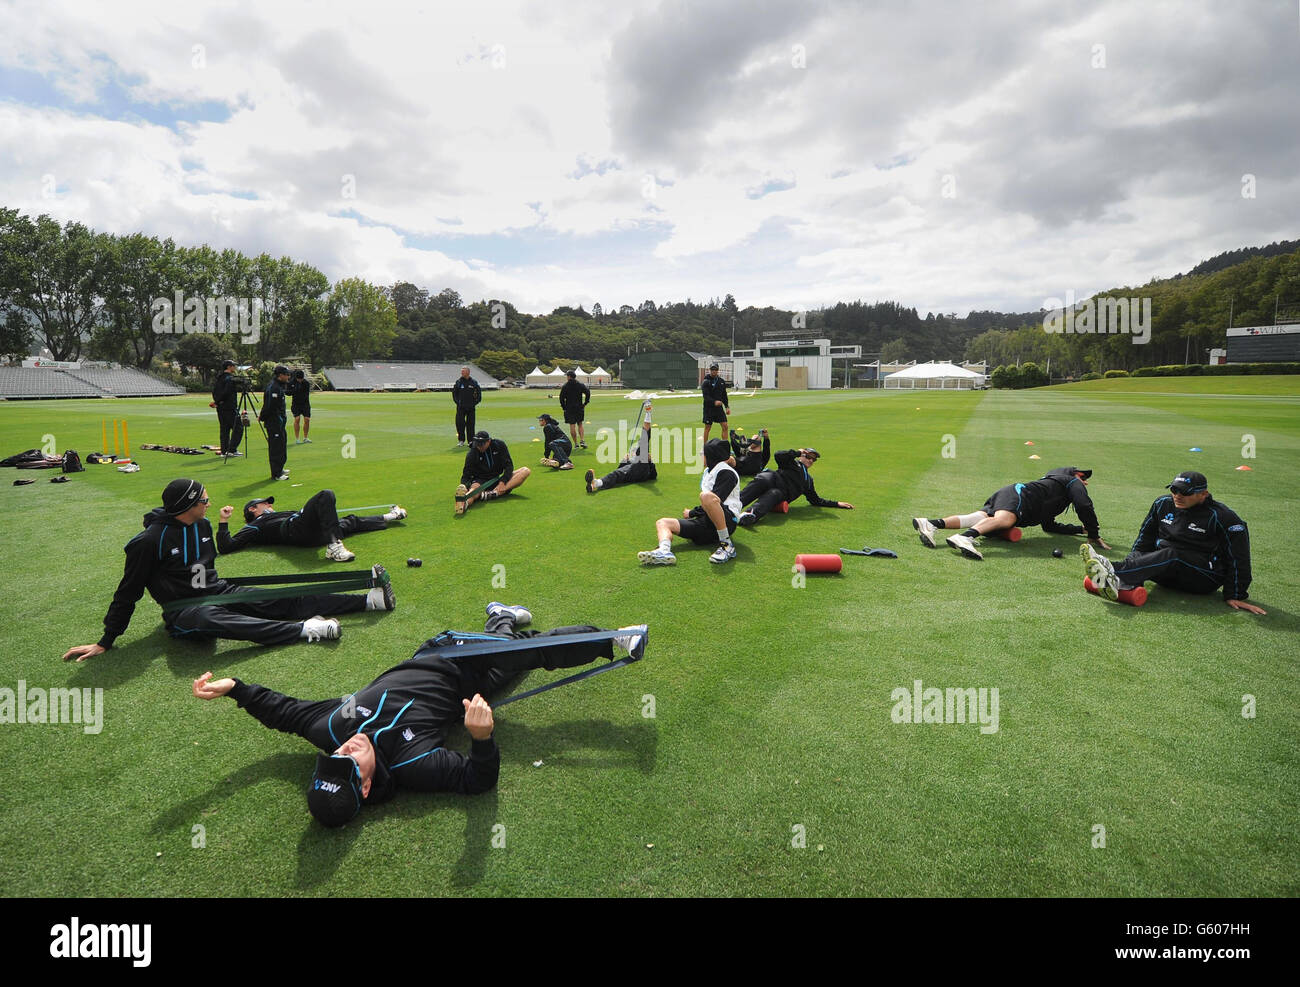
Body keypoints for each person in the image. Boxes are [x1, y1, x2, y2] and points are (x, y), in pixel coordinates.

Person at [190, 603, 648, 827]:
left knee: (526, 654)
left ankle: (612, 639)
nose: (345, 750)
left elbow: (283, 712)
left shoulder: (330, 727)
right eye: (348, 765)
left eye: (332, 758)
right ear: (367, 786)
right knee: (508, 662)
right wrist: (481, 737)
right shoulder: (412, 764)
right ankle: (502, 615)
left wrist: (234, 688)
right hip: (468, 691)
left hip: (441, 653)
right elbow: (476, 781)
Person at [60, 479, 396, 662]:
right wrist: (107, 639)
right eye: (204, 500)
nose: (209, 504)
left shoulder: (202, 524)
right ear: (186, 507)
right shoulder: (148, 542)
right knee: (217, 621)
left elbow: (207, 569)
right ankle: (304, 631)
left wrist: (224, 591)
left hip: (219, 591)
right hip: (185, 611)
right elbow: (128, 591)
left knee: (283, 600)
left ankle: (367, 601)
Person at [1081, 470, 1264, 613]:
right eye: (1174, 490)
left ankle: (1113, 571)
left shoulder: (1223, 517)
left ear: (1203, 494)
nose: (1178, 495)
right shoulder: (1162, 504)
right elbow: (1144, 541)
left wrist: (1235, 594)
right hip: (1166, 572)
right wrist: (1134, 562)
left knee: (1172, 554)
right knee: (1152, 553)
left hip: (1203, 578)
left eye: (1185, 492)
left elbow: (1238, 557)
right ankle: (1124, 581)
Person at [912, 466, 1109, 561]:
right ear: (1074, 475)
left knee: (982, 517)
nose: (1085, 482)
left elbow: (1048, 525)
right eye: (1083, 477)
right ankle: (964, 538)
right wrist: (1093, 533)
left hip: (1014, 492)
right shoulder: (1071, 482)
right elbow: (1084, 505)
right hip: (1020, 495)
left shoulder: (1056, 495)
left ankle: (931, 524)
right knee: (1004, 520)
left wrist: (1079, 529)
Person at [218, 489, 408, 562]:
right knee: (325, 495)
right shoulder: (255, 526)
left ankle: (391, 516)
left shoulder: (273, 514)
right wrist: (224, 521)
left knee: (349, 522)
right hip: (296, 530)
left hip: (312, 533)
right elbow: (227, 546)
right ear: (253, 509)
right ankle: (334, 546)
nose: (270, 505)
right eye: (265, 503)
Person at [638, 437, 740, 565]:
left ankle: (726, 545)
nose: (700, 455)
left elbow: (714, 501)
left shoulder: (726, 473)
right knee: (663, 522)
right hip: (707, 523)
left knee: (706, 496)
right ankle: (664, 551)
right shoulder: (709, 471)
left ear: (711, 456)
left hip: (728, 520)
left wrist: (691, 513)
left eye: (703, 453)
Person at [735, 447, 854, 526]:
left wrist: (837, 503)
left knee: (774, 494)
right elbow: (779, 455)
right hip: (772, 479)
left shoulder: (808, 480)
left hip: (781, 493)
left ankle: (749, 515)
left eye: (814, 459)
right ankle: (733, 506)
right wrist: (797, 453)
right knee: (764, 479)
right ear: (802, 456)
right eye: (808, 457)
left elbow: (815, 500)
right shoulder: (792, 462)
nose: (811, 460)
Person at [587, 401, 656, 493]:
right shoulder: (629, 462)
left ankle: (648, 412)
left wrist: (650, 462)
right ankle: (594, 485)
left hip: (641, 468)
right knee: (617, 475)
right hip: (633, 472)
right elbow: (619, 469)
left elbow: (653, 475)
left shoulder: (643, 456)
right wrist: (624, 460)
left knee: (617, 473)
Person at [456, 430, 530, 515]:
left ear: (489, 441)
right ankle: (463, 504)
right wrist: (464, 487)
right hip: (480, 481)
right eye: (478, 444)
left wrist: (502, 482)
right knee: (474, 490)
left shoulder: (499, 445)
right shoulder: (472, 453)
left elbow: (509, 466)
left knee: (525, 470)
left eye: (482, 444)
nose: (480, 447)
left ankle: (493, 494)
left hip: (497, 480)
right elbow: (466, 474)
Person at [259, 365, 291, 481]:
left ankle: (280, 468)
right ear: (280, 375)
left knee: (282, 445)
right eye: (286, 374)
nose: (288, 376)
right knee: (276, 448)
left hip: (280, 422)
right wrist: (262, 417)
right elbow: (269, 406)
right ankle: (276, 474)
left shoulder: (279, 386)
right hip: (274, 422)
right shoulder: (274, 387)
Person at [209, 359, 245, 458]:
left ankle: (224, 451)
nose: (235, 367)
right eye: (233, 365)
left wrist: (217, 402)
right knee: (238, 428)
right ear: (229, 367)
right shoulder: (230, 379)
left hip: (221, 408)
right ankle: (232, 450)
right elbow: (226, 392)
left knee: (224, 430)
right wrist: (217, 401)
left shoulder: (219, 378)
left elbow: (215, 392)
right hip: (229, 407)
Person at [559, 369, 591, 449]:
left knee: (572, 425)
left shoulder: (565, 386)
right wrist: (585, 403)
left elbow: (561, 398)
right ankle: (582, 440)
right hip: (579, 407)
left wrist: (564, 407)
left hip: (569, 408)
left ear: (569, 376)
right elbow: (587, 392)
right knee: (580, 424)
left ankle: (576, 443)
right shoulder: (580, 384)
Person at [451, 367, 482, 447]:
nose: (462, 373)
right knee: (460, 423)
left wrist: (475, 403)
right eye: (461, 372)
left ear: (468, 372)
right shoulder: (458, 382)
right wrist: (458, 403)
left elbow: (478, 394)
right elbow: (454, 394)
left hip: (471, 407)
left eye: (463, 372)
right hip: (461, 407)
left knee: (471, 424)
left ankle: (471, 441)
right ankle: (461, 440)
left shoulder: (473, 382)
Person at [701, 362, 730, 443]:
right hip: (708, 408)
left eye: (715, 369)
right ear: (709, 370)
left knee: (725, 426)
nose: (714, 371)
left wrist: (727, 406)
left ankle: (725, 447)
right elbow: (705, 396)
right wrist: (714, 402)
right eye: (712, 369)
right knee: (707, 427)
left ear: (718, 370)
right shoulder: (706, 381)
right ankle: (705, 447)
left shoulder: (721, 381)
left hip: (719, 409)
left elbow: (724, 395)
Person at [290, 368, 312, 444]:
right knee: (297, 419)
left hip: (305, 403)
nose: (300, 380)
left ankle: (305, 438)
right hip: (296, 404)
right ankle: (297, 438)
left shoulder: (306, 383)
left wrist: (297, 391)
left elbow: (305, 394)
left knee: (307, 419)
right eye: (299, 379)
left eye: (301, 379)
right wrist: (293, 391)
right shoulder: (292, 382)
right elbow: (288, 392)